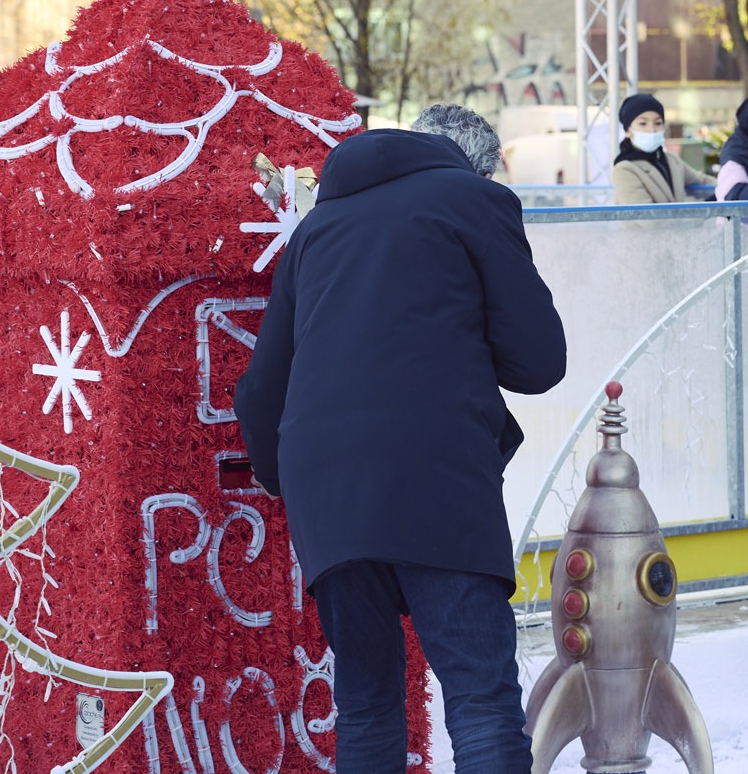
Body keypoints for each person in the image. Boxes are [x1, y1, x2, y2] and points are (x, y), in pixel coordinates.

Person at [233, 103, 566, 773]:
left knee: (367, 701)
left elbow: (262, 385)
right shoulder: (474, 200)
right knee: (479, 698)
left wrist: (285, 480)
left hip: (326, 491)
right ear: (478, 164)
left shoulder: (318, 226)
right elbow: (538, 361)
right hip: (434, 475)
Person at [611, 92, 715, 203]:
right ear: (628, 130)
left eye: (658, 123)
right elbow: (646, 217)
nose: (652, 129)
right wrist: (702, 210)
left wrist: (729, 188)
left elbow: (703, 181)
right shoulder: (624, 169)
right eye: (643, 123)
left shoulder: (671, 160)